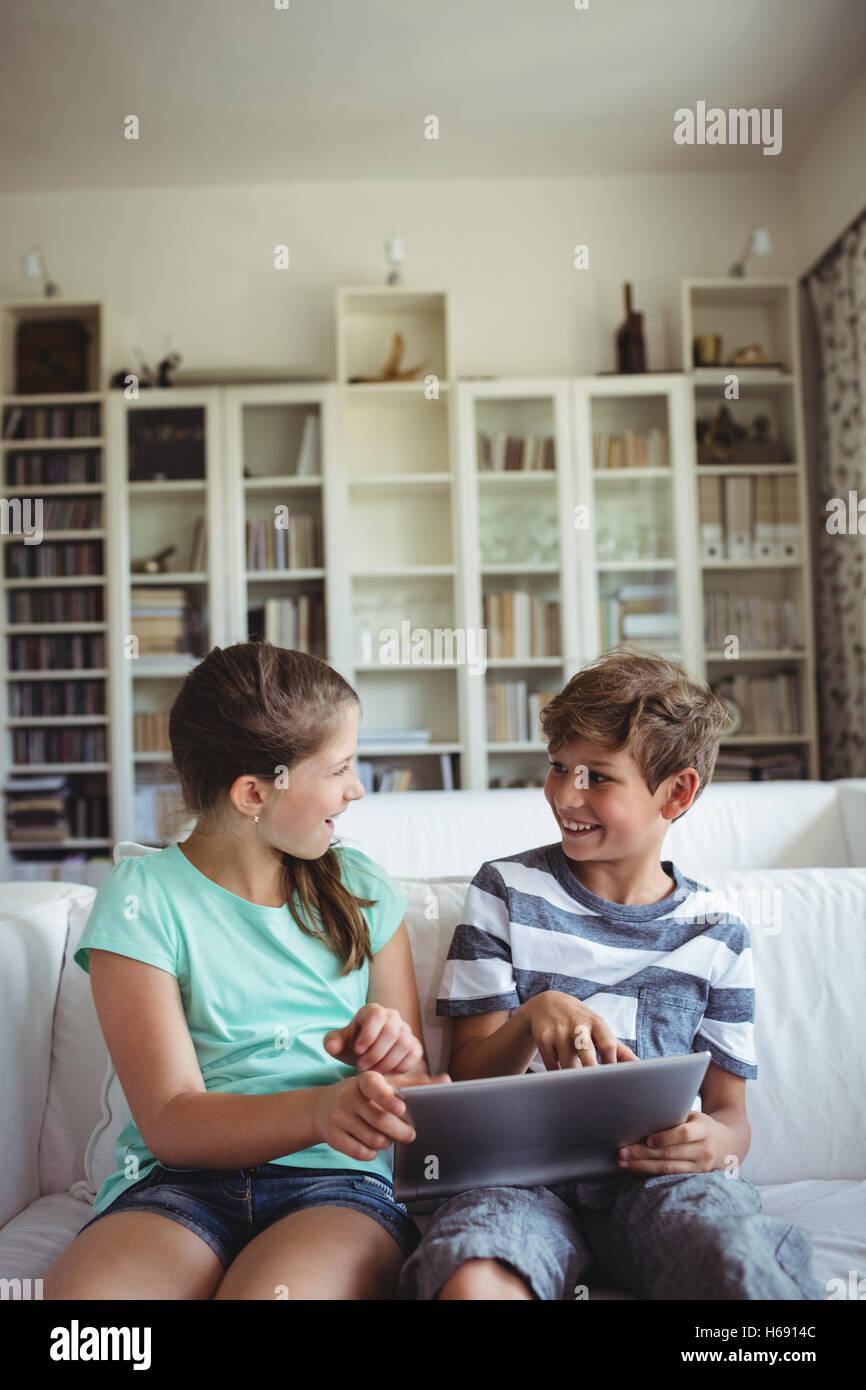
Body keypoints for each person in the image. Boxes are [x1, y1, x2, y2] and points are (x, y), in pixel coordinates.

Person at [399, 646, 825, 1301]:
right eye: (558, 767)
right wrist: (535, 1018)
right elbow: (468, 1079)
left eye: (597, 776)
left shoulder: (717, 932)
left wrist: (712, 1143)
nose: (565, 793)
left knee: (734, 1260)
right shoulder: (505, 891)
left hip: (659, 1184)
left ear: (676, 792)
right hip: (516, 1181)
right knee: (474, 1274)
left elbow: (729, 1113)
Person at [44, 642, 442, 1301]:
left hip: (335, 1185)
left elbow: (408, 1096)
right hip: (173, 1185)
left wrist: (394, 1059)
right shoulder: (144, 897)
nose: (357, 788)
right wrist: (318, 1108)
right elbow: (172, 1120)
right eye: (339, 768)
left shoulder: (364, 890)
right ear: (255, 793)